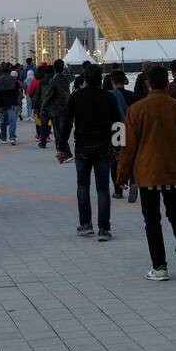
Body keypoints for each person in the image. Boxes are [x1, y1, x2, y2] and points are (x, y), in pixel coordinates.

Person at [117, 66, 176, 280]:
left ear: (147, 83)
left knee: (152, 219)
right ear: (166, 82)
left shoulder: (136, 110)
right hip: (173, 171)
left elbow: (128, 146)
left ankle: (159, 267)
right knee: (175, 211)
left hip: (147, 173)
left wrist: (122, 175)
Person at [57, 64, 118, 241]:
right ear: (100, 80)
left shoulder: (76, 97)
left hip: (82, 146)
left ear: (84, 79)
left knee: (83, 186)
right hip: (103, 147)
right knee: (103, 189)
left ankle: (86, 225)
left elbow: (66, 124)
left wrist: (61, 148)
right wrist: (119, 147)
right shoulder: (108, 97)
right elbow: (117, 123)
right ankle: (104, 229)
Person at [108, 70, 141, 201]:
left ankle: (118, 190)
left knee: (116, 161)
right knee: (133, 158)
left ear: (112, 82)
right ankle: (133, 181)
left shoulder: (109, 96)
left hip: (116, 131)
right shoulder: (135, 97)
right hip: (132, 131)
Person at [37, 59, 72, 149]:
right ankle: (59, 146)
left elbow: (47, 95)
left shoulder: (49, 81)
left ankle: (45, 143)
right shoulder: (65, 79)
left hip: (52, 107)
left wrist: (42, 107)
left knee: (45, 126)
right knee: (59, 129)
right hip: (63, 107)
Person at [0, 64, 22, 145]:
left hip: (2, 103)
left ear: (2, 71)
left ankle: (3, 137)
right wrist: (19, 97)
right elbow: (20, 89)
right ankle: (12, 138)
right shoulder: (14, 79)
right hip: (13, 102)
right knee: (12, 121)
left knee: (3, 121)